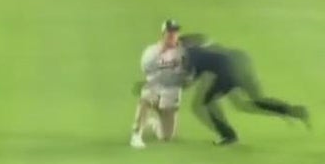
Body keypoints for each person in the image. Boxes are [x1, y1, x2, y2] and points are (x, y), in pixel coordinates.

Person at [177, 31, 309, 146]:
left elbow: (188, 81)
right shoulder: (205, 48)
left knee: (205, 104)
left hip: (228, 71)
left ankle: (229, 136)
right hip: (240, 62)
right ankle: (293, 111)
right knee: (254, 101)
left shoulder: (190, 55)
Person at [129, 20, 187, 149]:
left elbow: (186, 74)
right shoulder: (152, 51)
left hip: (171, 97)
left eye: (175, 32)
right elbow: (147, 70)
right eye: (170, 32)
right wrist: (161, 52)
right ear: (163, 34)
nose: (173, 35)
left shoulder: (183, 53)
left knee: (166, 137)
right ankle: (136, 134)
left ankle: (152, 123)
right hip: (155, 90)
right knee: (146, 96)